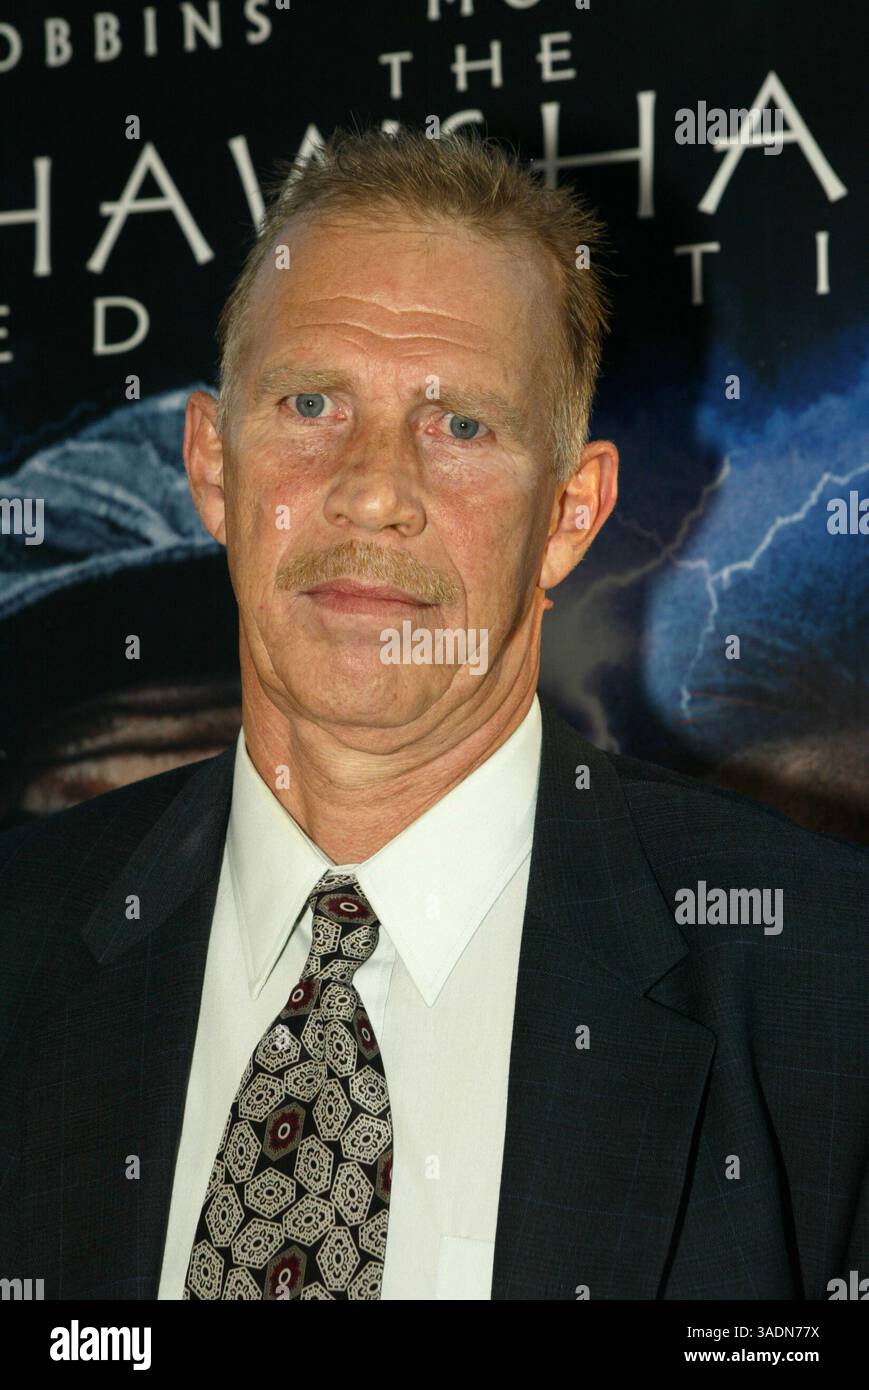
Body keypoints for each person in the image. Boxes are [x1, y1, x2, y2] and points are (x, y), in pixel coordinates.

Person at [0, 125, 866, 1301]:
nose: (371, 488)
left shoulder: (823, 988)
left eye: (459, 425)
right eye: (310, 403)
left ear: (569, 513)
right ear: (214, 465)